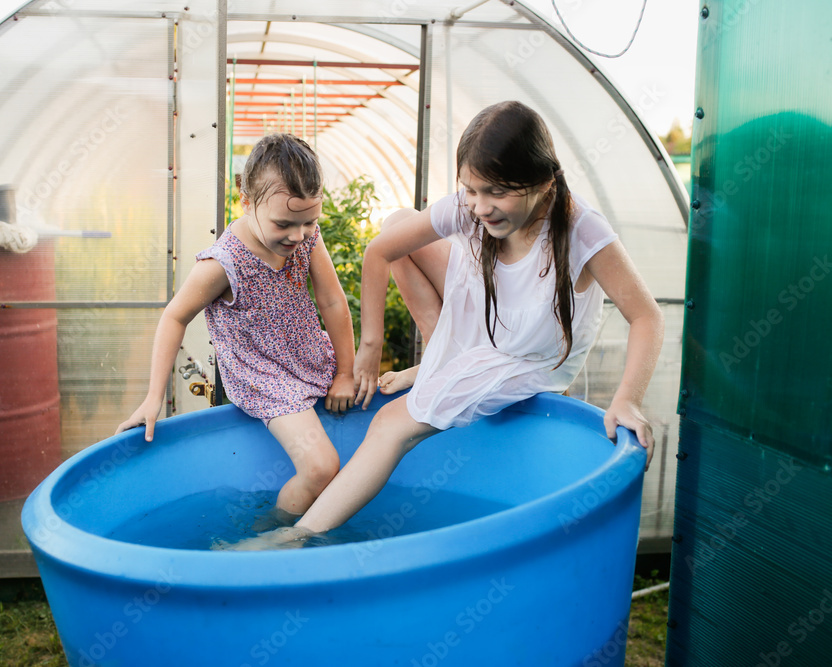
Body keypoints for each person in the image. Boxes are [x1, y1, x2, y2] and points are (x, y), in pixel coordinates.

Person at [241, 100, 664, 548]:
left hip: (526, 357)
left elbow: (646, 316)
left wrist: (628, 399)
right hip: (491, 320)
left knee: (390, 424)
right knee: (399, 224)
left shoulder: (582, 231)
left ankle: (298, 535)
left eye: (496, 192)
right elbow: (378, 251)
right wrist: (370, 346)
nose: (481, 206)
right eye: (471, 189)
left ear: (543, 182)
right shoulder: (474, 209)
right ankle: (436, 360)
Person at [116, 133, 356, 521]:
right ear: (246, 200)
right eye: (284, 224)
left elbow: (331, 300)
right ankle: (277, 537)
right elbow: (174, 317)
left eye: (310, 221)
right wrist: (153, 398)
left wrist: (345, 371)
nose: (298, 235)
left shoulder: (304, 235)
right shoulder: (223, 264)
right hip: (264, 376)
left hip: (308, 355)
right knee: (321, 468)